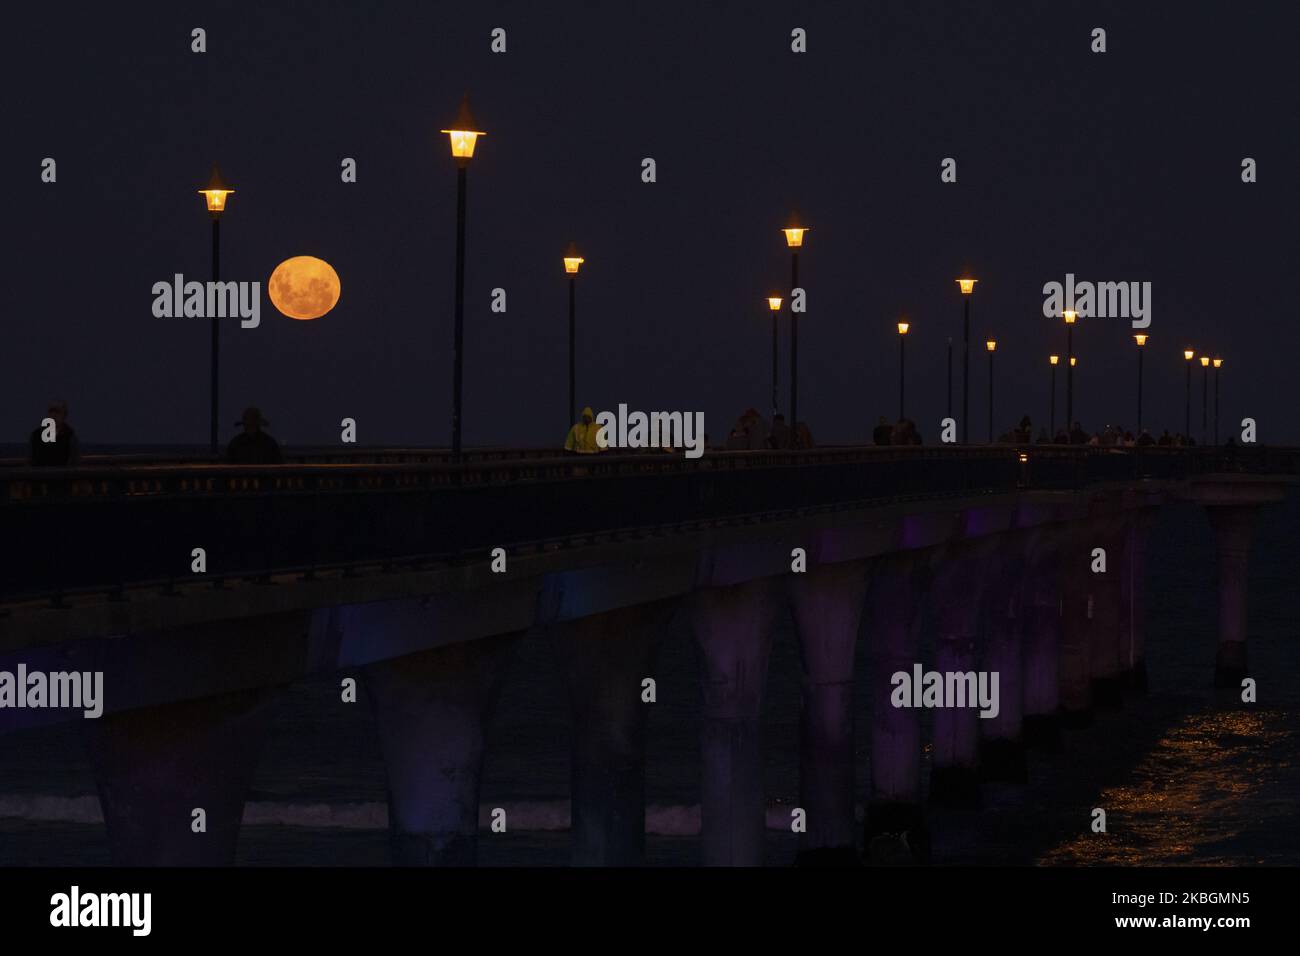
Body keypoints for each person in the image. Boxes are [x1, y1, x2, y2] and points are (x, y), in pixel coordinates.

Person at [28, 399, 80, 466]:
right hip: (40, 475)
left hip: (63, 475)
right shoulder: (36, 435)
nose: (53, 415)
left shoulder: (70, 437)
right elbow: (30, 461)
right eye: (51, 411)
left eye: (57, 412)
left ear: (65, 415)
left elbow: (75, 463)